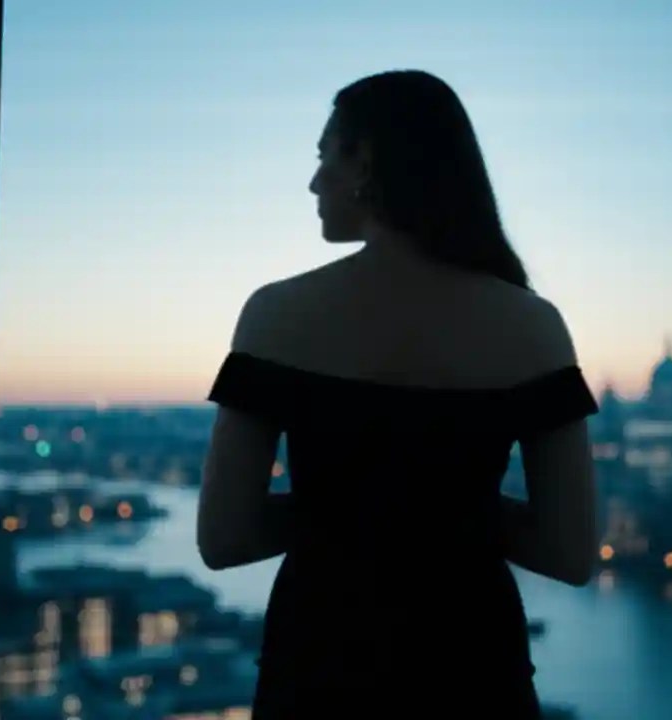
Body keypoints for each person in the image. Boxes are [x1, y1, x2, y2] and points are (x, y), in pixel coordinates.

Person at [197, 69, 599, 718]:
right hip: (475, 676)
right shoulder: (534, 325)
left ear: (365, 163)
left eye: (325, 155)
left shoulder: (276, 316)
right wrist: (447, 507)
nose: (314, 182)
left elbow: (225, 538)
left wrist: (347, 506)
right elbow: (570, 552)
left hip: (318, 672)